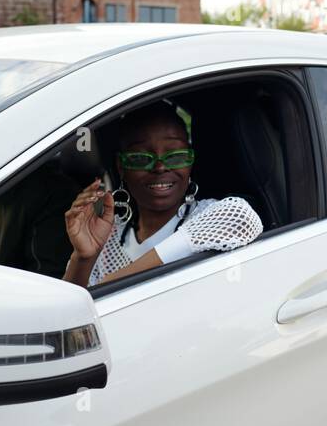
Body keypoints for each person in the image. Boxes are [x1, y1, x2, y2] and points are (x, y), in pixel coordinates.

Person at [62, 99, 262, 287]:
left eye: (175, 156)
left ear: (191, 161)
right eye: (141, 158)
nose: (159, 167)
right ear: (121, 167)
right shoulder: (109, 237)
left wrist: (109, 286)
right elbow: (70, 314)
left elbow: (242, 218)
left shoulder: (209, 215)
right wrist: (83, 257)